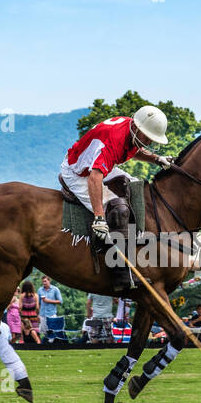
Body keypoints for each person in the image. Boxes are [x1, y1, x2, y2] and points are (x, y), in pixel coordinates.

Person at [60, 106, 174, 290]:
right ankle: (120, 274)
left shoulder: (132, 128)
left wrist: (156, 159)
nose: (148, 143)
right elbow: (94, 177)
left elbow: (131, 149)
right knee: (118, 210)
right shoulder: (115, 139)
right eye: (147, 138)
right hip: (78, 172)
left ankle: (134, 237)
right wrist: (99, 217)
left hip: (98, 164)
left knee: (139, 188)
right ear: (137, 128)